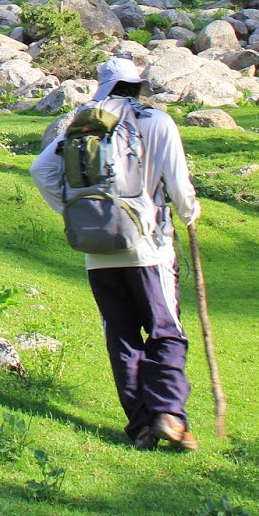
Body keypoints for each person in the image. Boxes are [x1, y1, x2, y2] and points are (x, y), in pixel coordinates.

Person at [30, 56, 202, 452]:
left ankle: (142, 426)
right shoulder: (156, 122)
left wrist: (75, 210)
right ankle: (169, 415)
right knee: (165, 331)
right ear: (137, 86)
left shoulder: (81, 126)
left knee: (121, 336)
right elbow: (178, 183)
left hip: (97, 251)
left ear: (104, 88)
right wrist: (190, 212)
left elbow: (41, 170)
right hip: (148, 247)